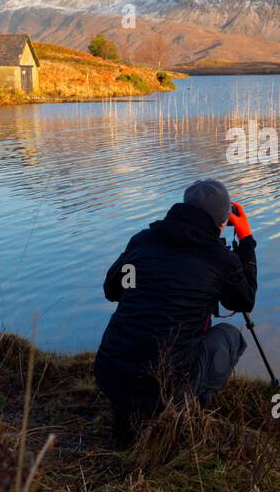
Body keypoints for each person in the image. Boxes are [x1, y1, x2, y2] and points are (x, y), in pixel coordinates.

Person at [94, 179, 257, 447]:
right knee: (230, 336)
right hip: (167, 384)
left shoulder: (142, 241)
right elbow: (245, 301)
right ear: (222, 223)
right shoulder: (219, 259)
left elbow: (112, 290)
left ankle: (128, 414)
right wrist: (247, 242)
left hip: (110, 373)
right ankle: (187, 409)